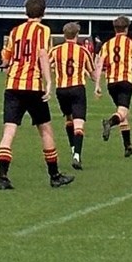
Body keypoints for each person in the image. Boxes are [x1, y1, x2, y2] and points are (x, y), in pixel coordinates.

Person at [0, 0, 73, 190]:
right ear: (44, 12)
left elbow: (5, 58)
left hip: (13, 85)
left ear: (26, 11)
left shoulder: (15, 31)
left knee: (9, 130)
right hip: (33, 86)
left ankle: (2, 177)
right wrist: (49, 82)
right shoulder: (44, 31)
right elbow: (43, 55)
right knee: (45, 129)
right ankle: (54, 175)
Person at [49, 22, 95, 170]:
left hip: (61, 89)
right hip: (77, 88)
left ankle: (73, 148)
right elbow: (94, 75)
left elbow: (44, 65)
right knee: (79, 123)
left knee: (68, 118)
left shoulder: (55, 51)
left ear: (64, 35)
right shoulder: (83, 52)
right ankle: (77, 155)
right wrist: (90, 73)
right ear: (77, 35)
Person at [95, 16, 132, 158]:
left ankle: (127, 146)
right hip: (125, 81)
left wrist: (97, 84)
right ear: (126, 28)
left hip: (111, 83)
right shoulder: (130, 43)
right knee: (122, 112)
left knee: (122, 113)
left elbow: (99, 65)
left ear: (114, 29)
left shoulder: (107, 44)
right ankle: (109, 122)